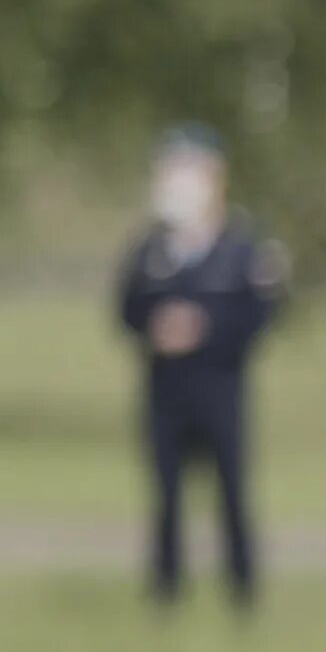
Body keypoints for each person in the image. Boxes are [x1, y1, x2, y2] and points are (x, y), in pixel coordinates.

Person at [116, 123, 287, 609]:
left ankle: (242, 593)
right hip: (165, 390)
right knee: (166, 497)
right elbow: (124, 310)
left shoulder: (243, 248)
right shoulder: (150, 250)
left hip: (221, 387)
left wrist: (205, 328)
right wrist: (156, 326)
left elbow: (261, 315)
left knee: (232, 494)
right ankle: (165, 594)